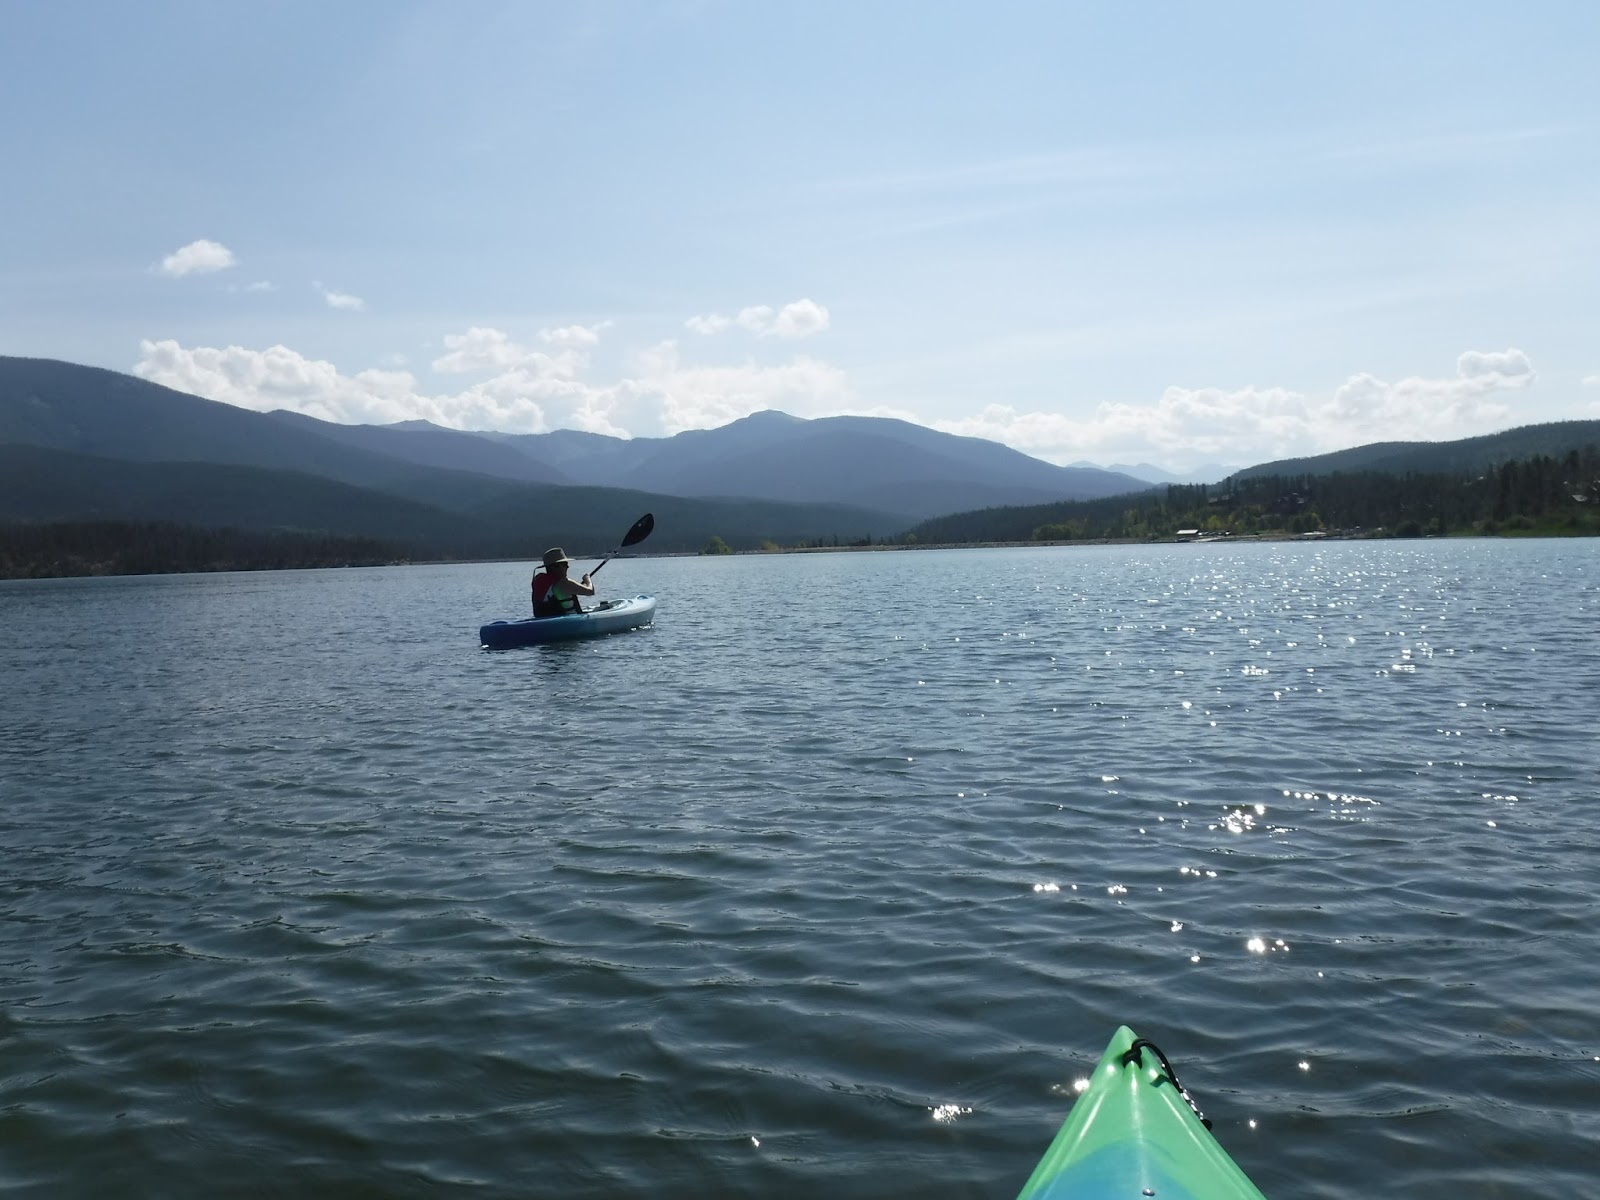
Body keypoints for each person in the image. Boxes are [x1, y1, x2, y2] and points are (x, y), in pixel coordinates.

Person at [531, 547, 595, 618]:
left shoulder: (540, 582)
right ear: (554, 567)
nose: (568, 567)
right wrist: (587, 579)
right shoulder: (563, 583)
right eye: (564, 564)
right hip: (567, 623)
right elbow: (590, 591)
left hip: (544, 622)